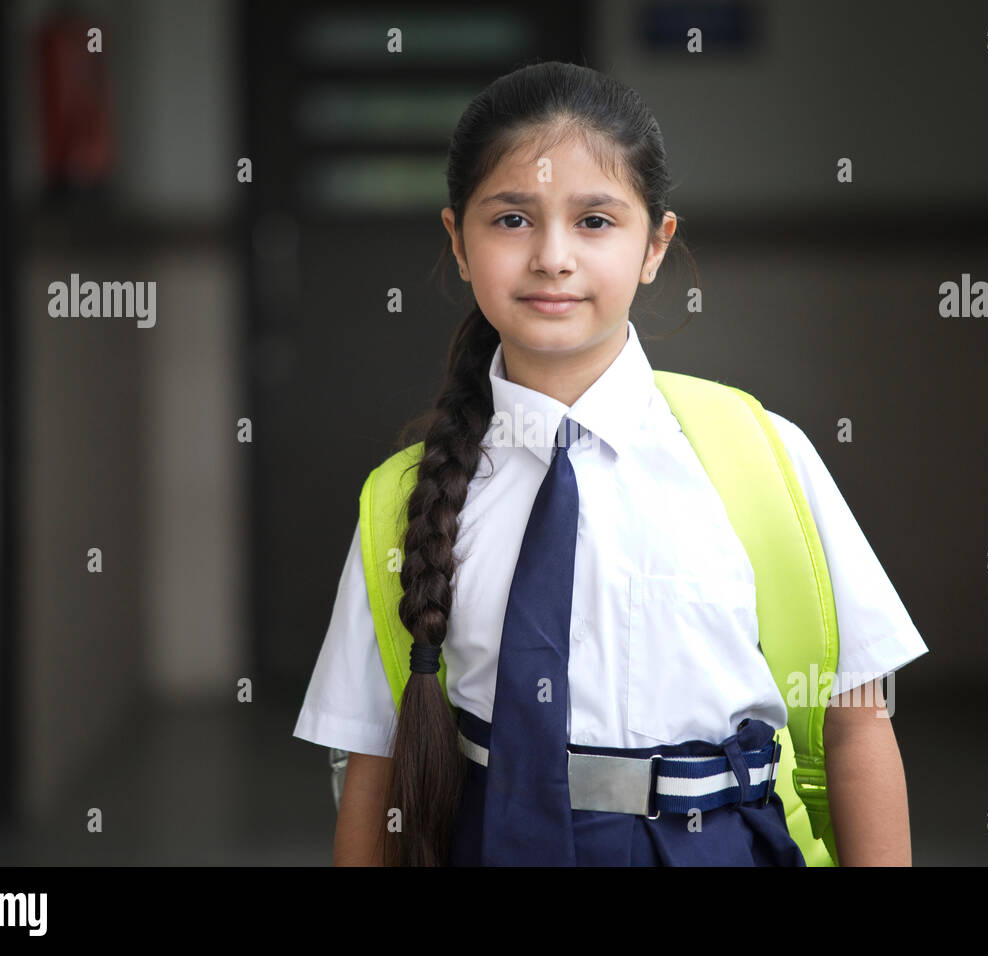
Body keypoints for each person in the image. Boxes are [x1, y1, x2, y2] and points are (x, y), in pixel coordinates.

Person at [293, 60, 928, 866]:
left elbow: (857, 723)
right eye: (512, 220)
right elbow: (373, 767)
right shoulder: (400, 503)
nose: (553, 257)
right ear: (458, 242)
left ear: (655, 244)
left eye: (595, 220)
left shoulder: (762, 458)